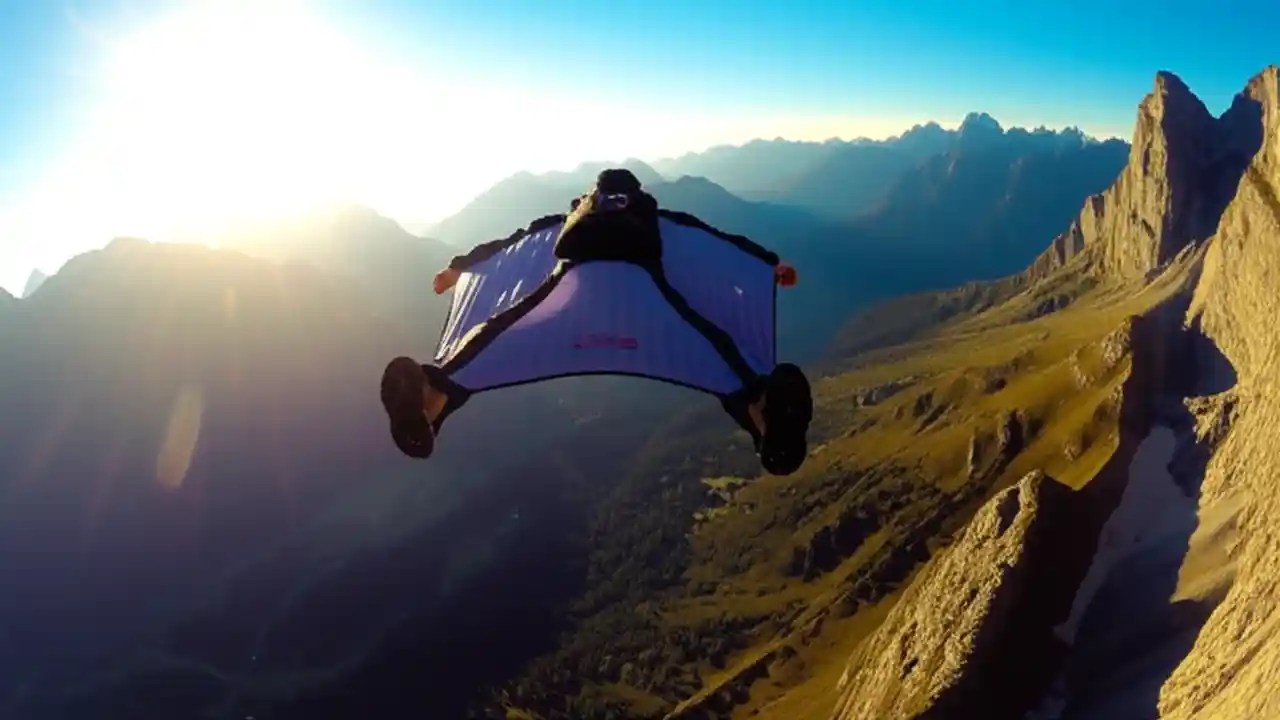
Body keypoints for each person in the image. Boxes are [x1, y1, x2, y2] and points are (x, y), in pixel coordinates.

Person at [381, 168, 812, 475]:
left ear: (588, 198)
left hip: (570, 284)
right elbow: (714, 240)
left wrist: (458, 268)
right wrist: (769, 265)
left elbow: (511, 245)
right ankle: (763, 408)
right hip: (648, 288)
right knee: (713, 345)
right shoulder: (660, 221)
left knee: (495, 334)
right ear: (638, 196)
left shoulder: (561, 223)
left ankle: (429, 395)